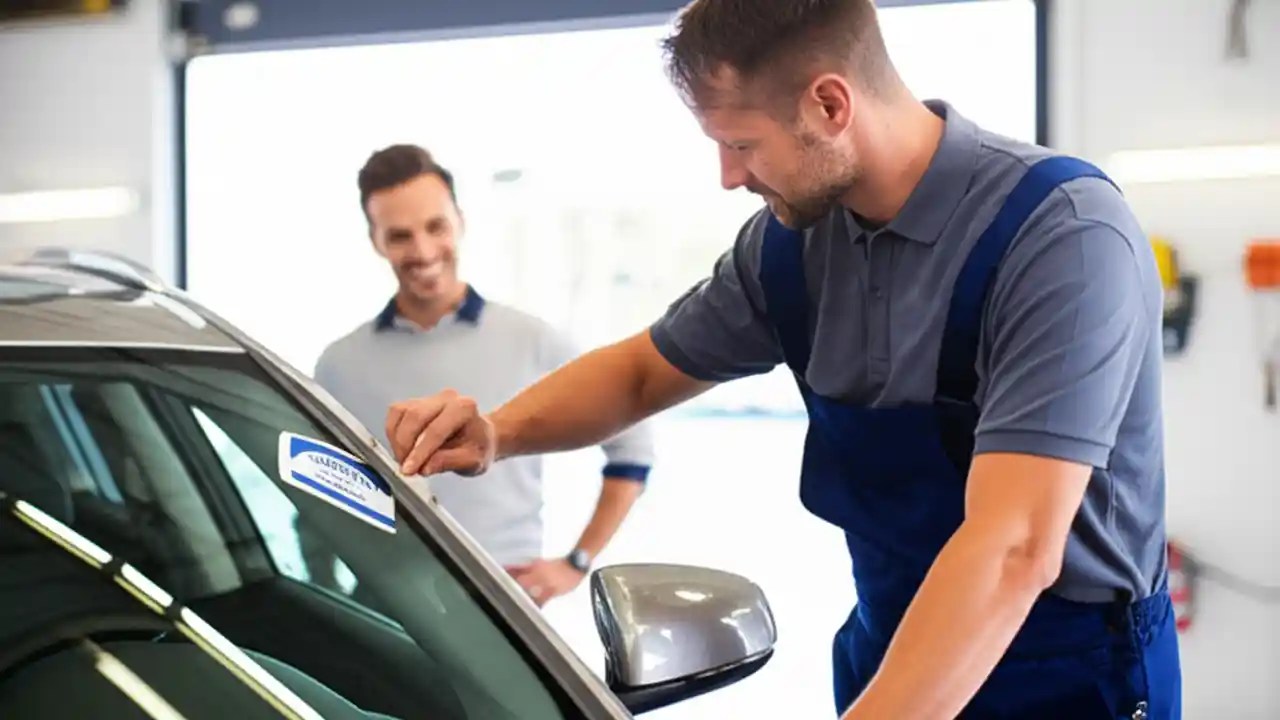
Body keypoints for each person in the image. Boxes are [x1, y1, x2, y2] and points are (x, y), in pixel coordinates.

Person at [382, 1, 1182, 717]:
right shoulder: (791, 246)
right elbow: (642, 370)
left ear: (830, 104)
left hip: (1067, 678)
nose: (729, 177)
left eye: (740, 144)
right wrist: (496, 433)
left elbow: (1013, 547)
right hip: (893, 656)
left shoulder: (1063, 237)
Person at [313, 144, 656, 608]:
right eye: (399, 235)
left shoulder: (533, 339)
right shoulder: (338, 365)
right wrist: (326, 597)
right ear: (375, 240)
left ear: (460, 221)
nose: (423, 250)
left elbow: (632, 445)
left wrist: (576, 562)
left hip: (502, 609)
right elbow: (316, 501)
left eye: (436, 227)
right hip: (381, 610)